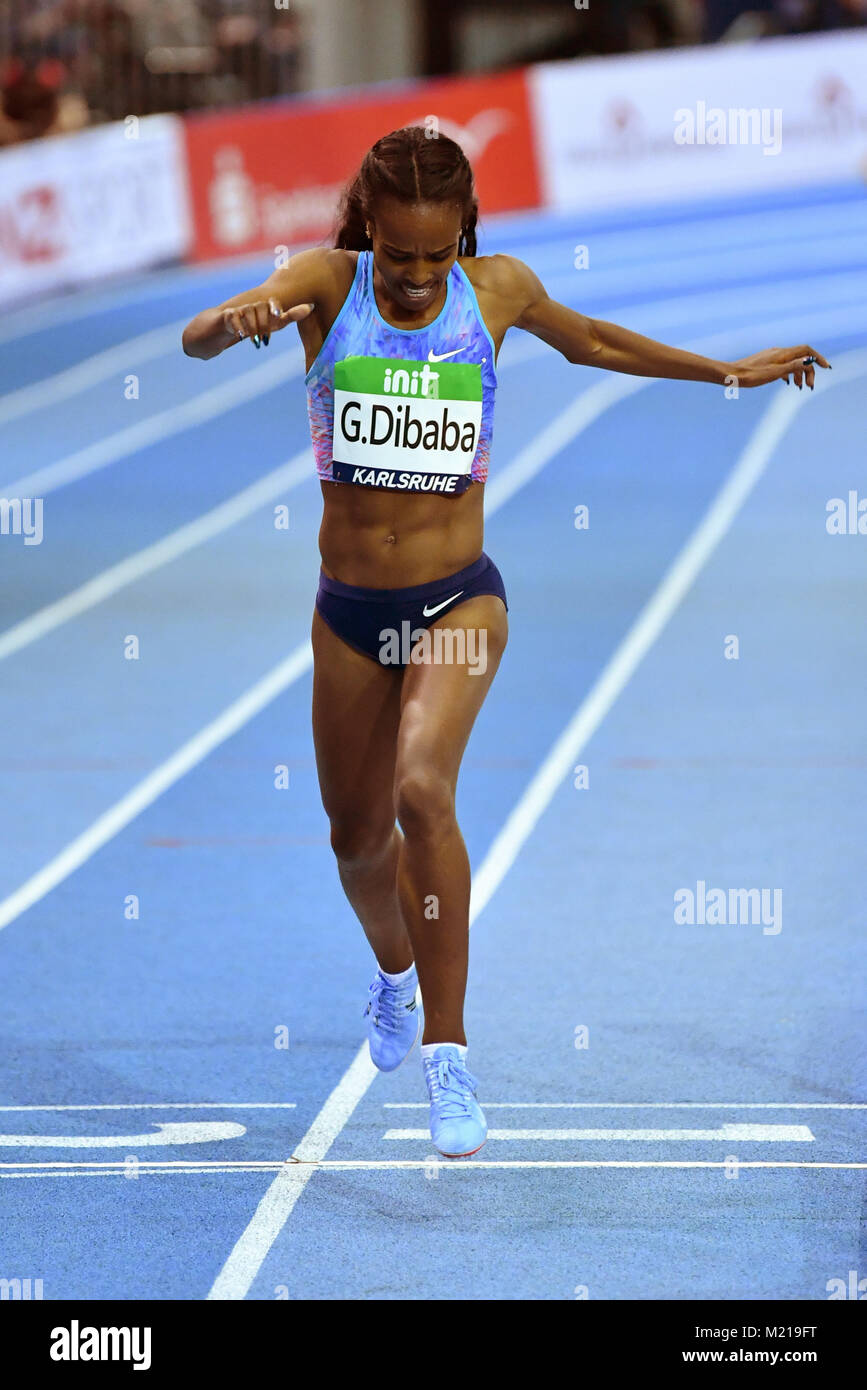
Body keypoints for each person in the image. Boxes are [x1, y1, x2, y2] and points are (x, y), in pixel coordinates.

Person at [182, 126, 828, 1158]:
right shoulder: (324, 282)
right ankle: (394, 978)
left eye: (438, 256)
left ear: (464, 239)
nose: (418, 278)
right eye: (401, 256)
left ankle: (451, 1056)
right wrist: (234, 319)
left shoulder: (499, 292)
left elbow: (597, 342)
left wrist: (728, 374)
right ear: (371, 233)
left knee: (422, 792)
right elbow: (196, 338)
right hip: (351, 611)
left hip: (459, 603)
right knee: (356, 847)